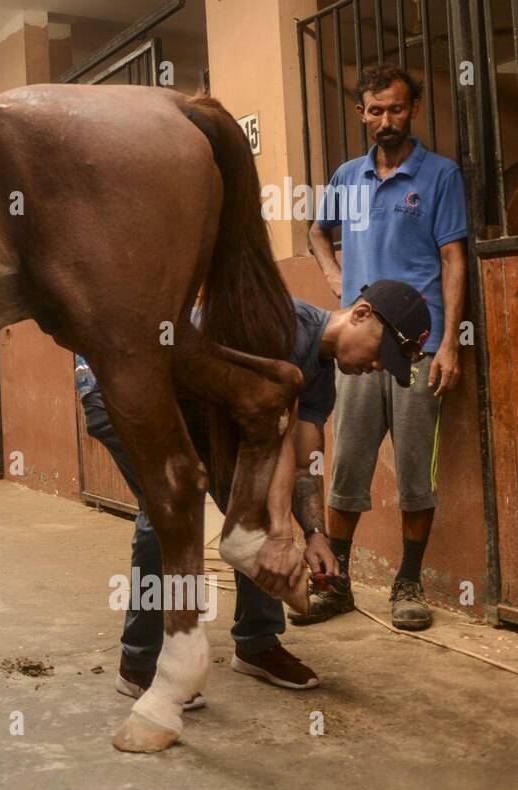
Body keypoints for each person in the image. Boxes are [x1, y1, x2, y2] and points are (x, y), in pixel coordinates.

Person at [79, 280, 428, 707]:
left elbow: (302, 461)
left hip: (197, 409)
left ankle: (257, 644)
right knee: (171, 512)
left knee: (255, 512)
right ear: (360, 314)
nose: (376, 367)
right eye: (380, 352)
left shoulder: (321, 380)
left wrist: (315, 532)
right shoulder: (278, 325)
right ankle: (139, 665)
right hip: (125, 382)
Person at [309, 64, 467, 631]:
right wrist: (336, 282)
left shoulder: (440, 176)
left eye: (396, 109)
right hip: (357, 345)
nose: (385, 120)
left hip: (418, 349)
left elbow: (453, 258)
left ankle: (408, 583)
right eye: (375, 111)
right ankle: (337, 583)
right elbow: (317, 232)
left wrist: (450, 342)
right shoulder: (346, 176)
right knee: (347, 463)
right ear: (361, 114)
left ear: (413, 109)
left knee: (413, 472)